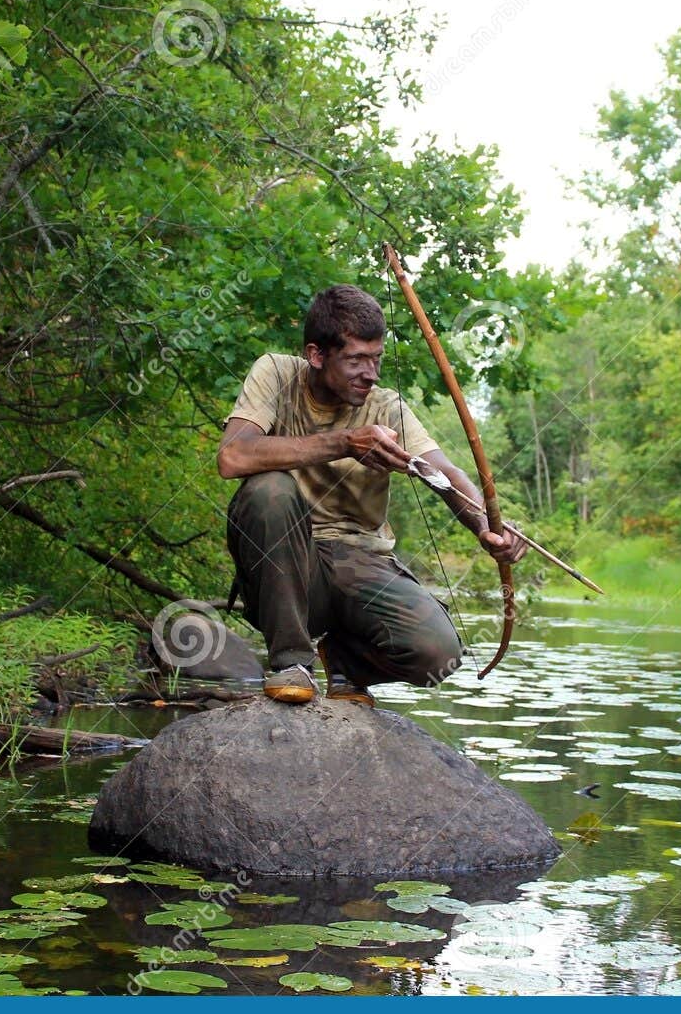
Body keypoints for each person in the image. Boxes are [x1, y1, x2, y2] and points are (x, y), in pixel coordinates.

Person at [217, 283, 527, 705]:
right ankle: (292, 662)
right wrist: (345, 443)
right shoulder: (276, 373)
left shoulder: (385, 405)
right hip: (286, 566)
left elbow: (442, 471)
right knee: (268, 489)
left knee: (439, 654)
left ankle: (344, 661)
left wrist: (486, 525)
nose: (371, 373)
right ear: (316, 355)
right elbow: (233, 457)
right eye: (356, 360)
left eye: (377, 358)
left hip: (360, 561)